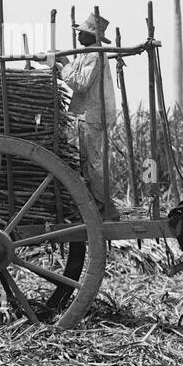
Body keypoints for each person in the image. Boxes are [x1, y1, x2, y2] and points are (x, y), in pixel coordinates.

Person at [57, 12, 119, 220]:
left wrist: (64, 63)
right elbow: (72, 74)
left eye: (82, 33)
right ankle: (96, 204)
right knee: (87, 161)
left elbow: (80, 82)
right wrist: (62, 65)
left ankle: (105, 207)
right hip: (87, 114)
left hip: (93, 114)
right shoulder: (87, 54)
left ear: (93, 37)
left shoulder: (94, 55)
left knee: (93, 162)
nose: (78, 36)